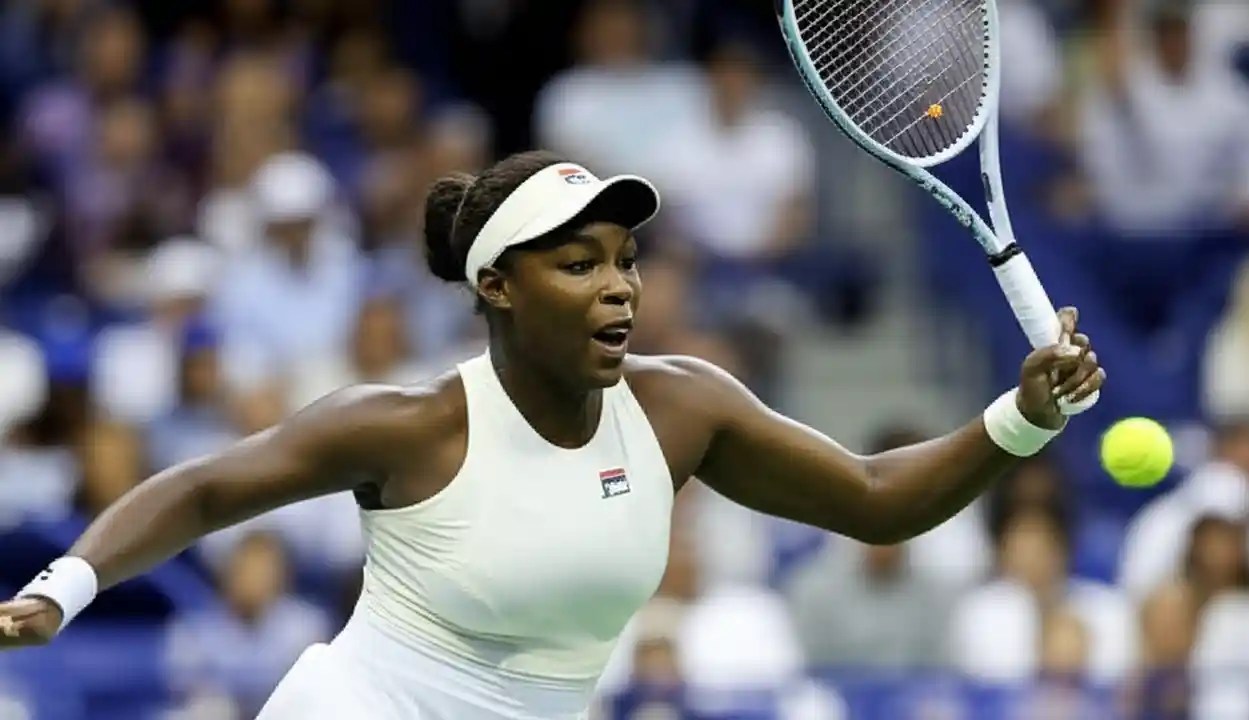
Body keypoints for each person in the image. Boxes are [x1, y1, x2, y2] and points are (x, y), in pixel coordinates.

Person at [0, 150, 1105, 719]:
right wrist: (61, 590)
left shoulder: (682, 408)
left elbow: (873, 496)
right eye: (578, 265)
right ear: (497, 286)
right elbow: (202, 489)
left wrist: (1023, 416)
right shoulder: (409, 425)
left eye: (625, 260)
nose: (619, 287)